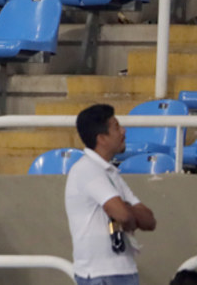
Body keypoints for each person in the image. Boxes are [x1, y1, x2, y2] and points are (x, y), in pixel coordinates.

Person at [66, 104, 157, 285]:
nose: (123, 131)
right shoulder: (87, 170)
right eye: (116, 127)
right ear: (101, 139)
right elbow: (123, 216)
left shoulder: (112, 173)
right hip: (100, 276)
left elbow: (149, 221)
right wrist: (127, 212)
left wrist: (126, 211)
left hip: (125, 271)